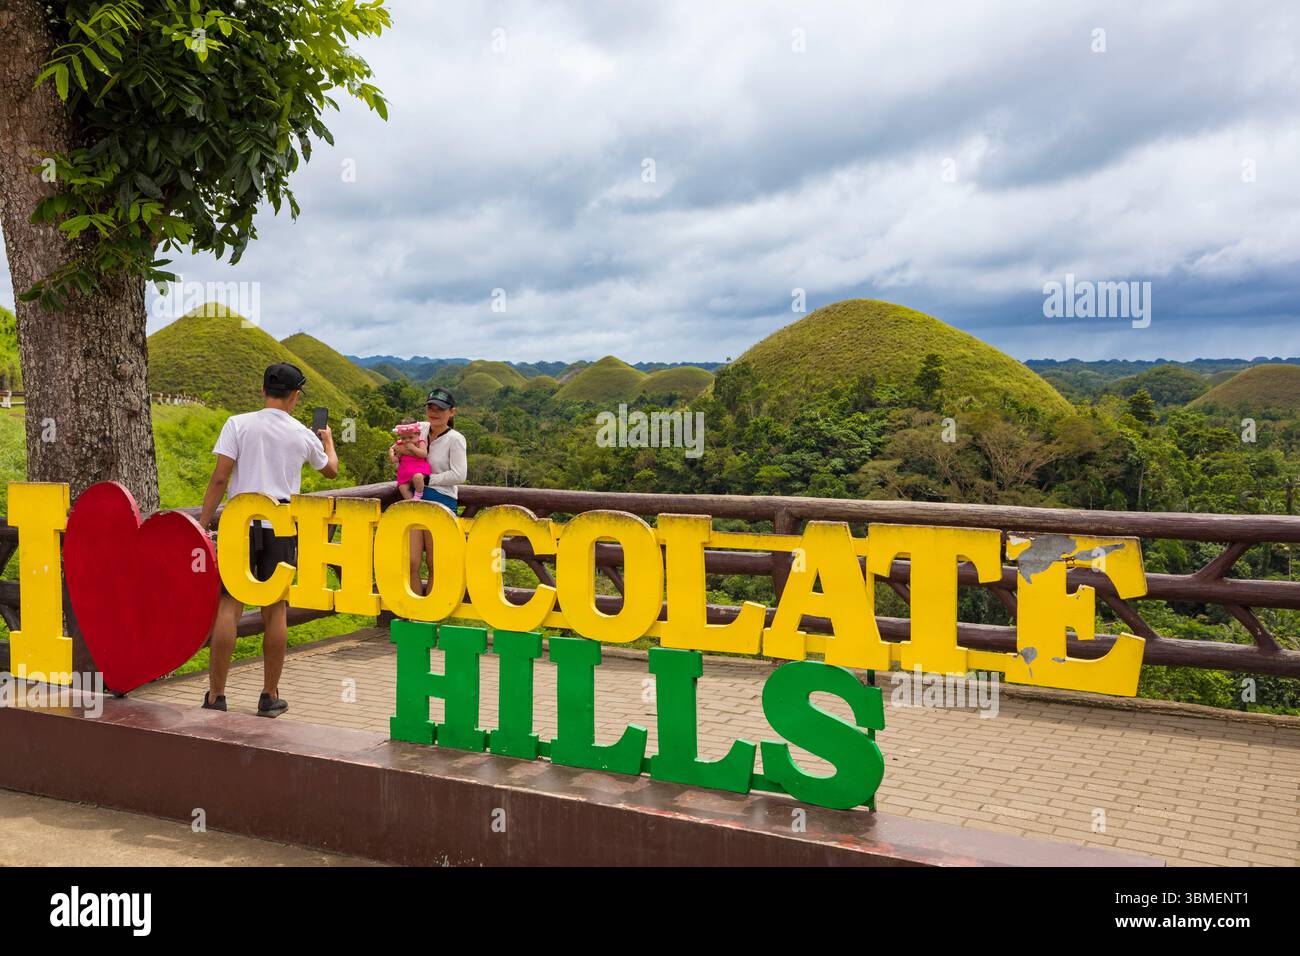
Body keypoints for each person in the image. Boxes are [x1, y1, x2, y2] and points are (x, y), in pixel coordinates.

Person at [196, 362, 339, 716]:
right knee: (275, 610)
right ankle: (269, 695)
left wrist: (202, 524)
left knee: (228, 607)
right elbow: (331, 469)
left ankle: (217, 696)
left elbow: (219, 479)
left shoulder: (238, 424)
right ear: (296, 396)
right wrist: (329, 442)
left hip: (239, 525)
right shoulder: (302, 434)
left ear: (263, 391)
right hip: (281, 527)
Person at [408, 387, 467, 593]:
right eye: (430, 407)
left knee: (435, 563)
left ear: (452, 412)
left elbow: (459, 474)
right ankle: (414, 615)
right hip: (417, 500)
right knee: (411, 561)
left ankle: (432, 618)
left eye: (440, 409)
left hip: (442, 501)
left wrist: (428, 479)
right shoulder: (422, 429)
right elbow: (402, 437)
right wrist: (395, 450)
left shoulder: (455, 439)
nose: (434, 412)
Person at [388, 417, 431, 499]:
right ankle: (411, 503)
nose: (407, 440)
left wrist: (414, 448)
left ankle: (418, 496)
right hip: (405, 471)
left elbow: (424, 454)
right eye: (403, 438)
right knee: (402, 487)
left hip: (418, 469)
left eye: (410, 437)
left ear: (418, 434)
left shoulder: (420, 443)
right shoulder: (399, 445)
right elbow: (395, 460)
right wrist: (391, 453)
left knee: (418, 477)